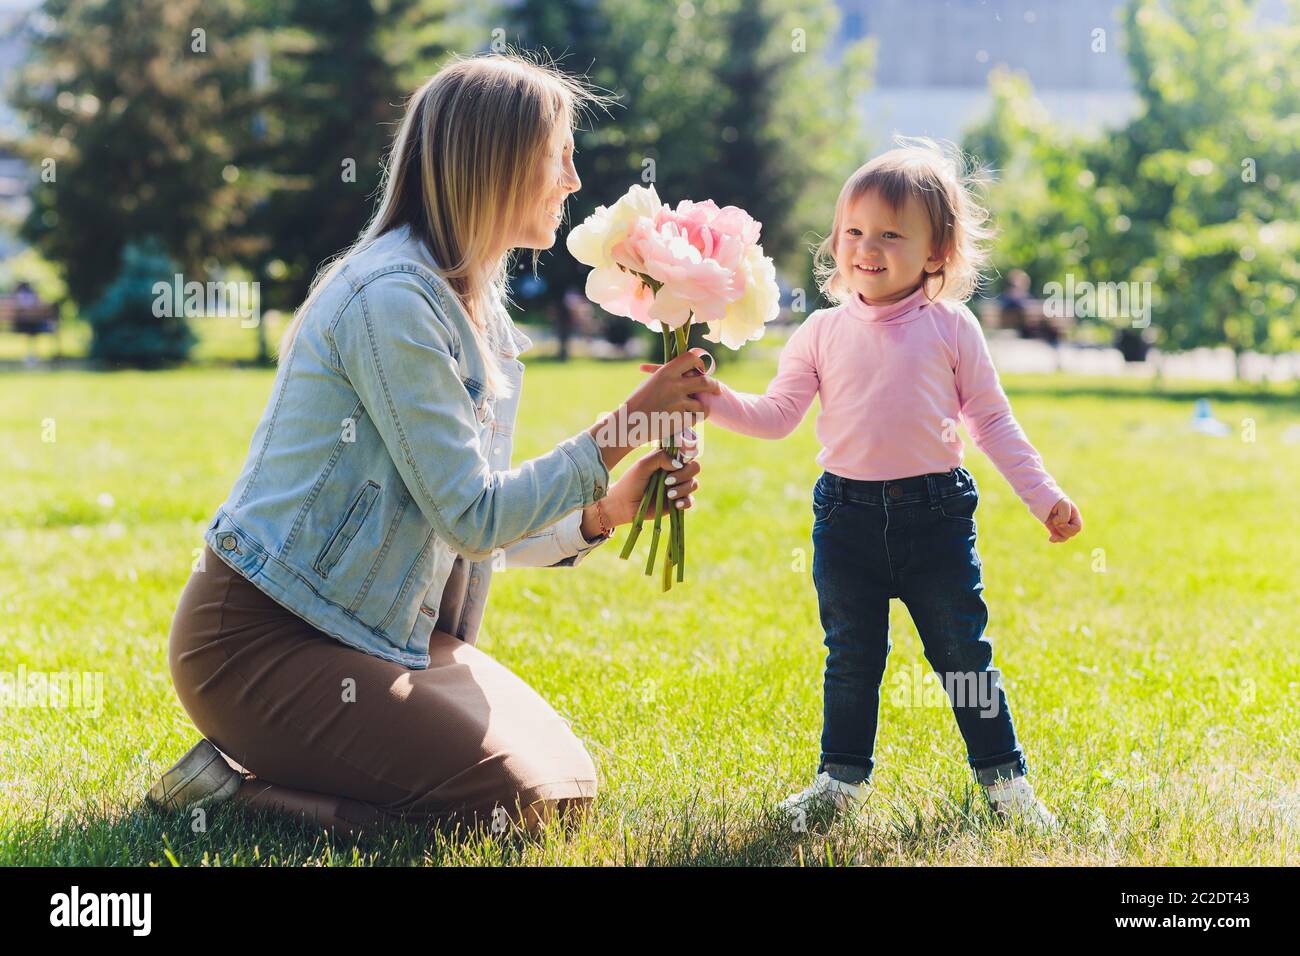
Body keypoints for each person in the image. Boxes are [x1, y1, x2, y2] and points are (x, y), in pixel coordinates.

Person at [147, 53, 718, 838]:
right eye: (561, 156)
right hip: (261, 640)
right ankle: (231, 794)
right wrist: (623, 428)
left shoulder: (470, 309)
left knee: (567, 789)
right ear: (498, 161)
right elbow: (471, 517)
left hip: (379, 634)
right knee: (509, 809)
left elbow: (454, 528)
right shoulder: (392, 301)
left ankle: (284, 773)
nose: (575, 180)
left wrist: (604, 512)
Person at [698, 138, 1082, 829]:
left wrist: (1044, 497)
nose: (865, 248)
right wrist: (709, 397)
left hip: (934, 519)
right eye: (853, 232)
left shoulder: (950, 328)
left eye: (889, 235)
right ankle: (839, 784)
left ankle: (1007, 786)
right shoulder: (818, 332)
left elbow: (992, 422)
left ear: (937, 253)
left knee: (964, 654)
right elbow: (777, 417)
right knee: (850, 660)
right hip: (844, 521)